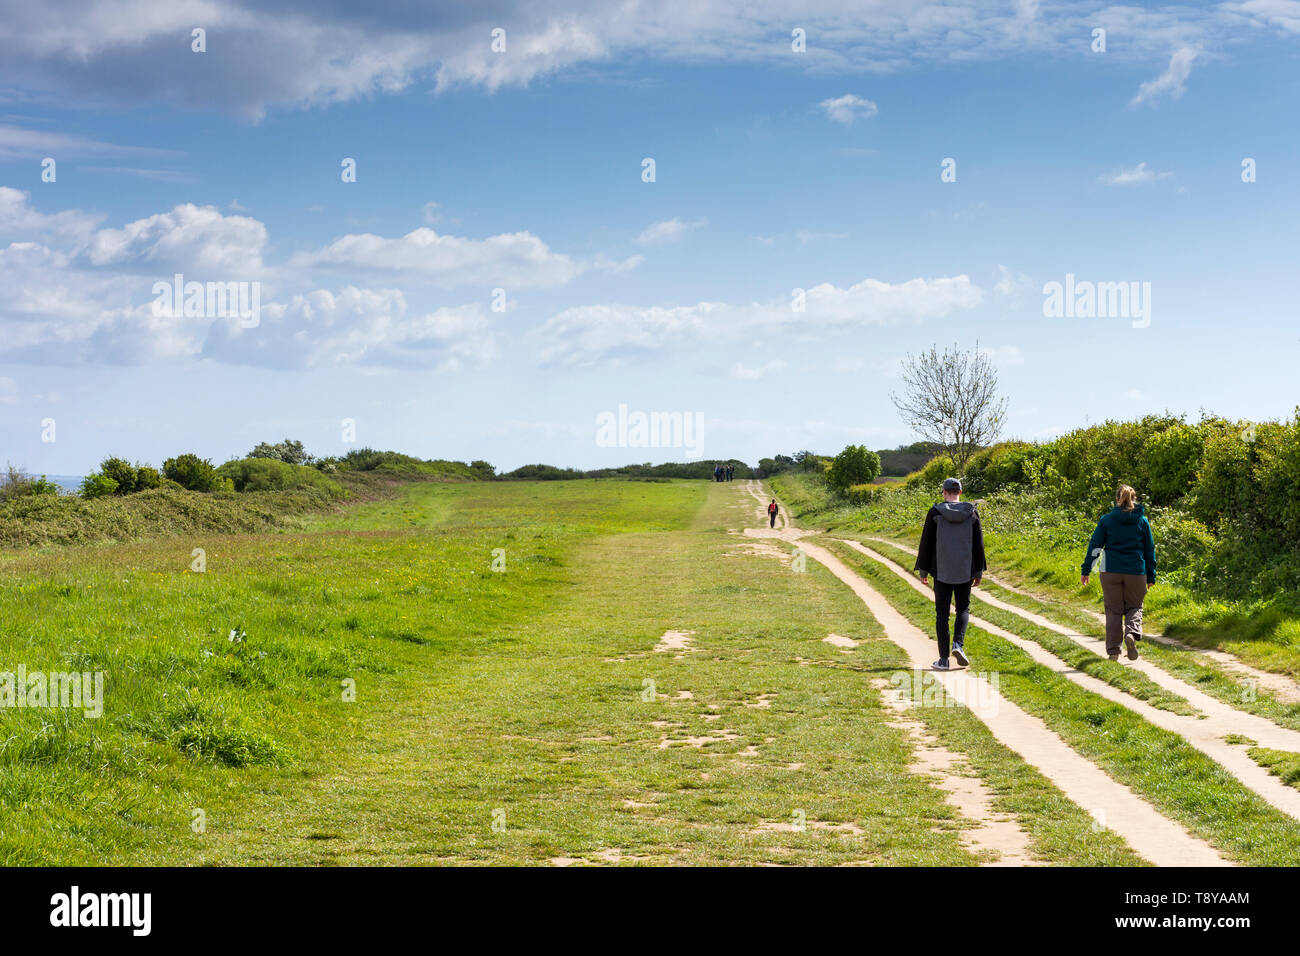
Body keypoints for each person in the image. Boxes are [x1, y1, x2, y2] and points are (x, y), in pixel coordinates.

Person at [914, 477, 986, 670]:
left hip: (941, 571)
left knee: (942, 615)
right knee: (962, 609)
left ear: (944, 492)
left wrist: (923, 570)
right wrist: (978, 571)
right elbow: (978, 545)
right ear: (960, 493)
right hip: (965, 571)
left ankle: (944, 660)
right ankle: (958, 645)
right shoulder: (972, 513)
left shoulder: (935, 512)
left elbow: (926, 542)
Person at [1081, 484, 1156, 662]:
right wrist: (1151, 575)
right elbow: (1149, 550)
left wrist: (1086, 569)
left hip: (1110, 570)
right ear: (1134, 499)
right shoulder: (1142, 521)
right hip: (1136, 571)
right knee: (1135, 606)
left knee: (1113, 610)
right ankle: (1131, 633)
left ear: (1117, 500)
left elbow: (1095, 546)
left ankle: (1114, 651)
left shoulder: (1106, 520)